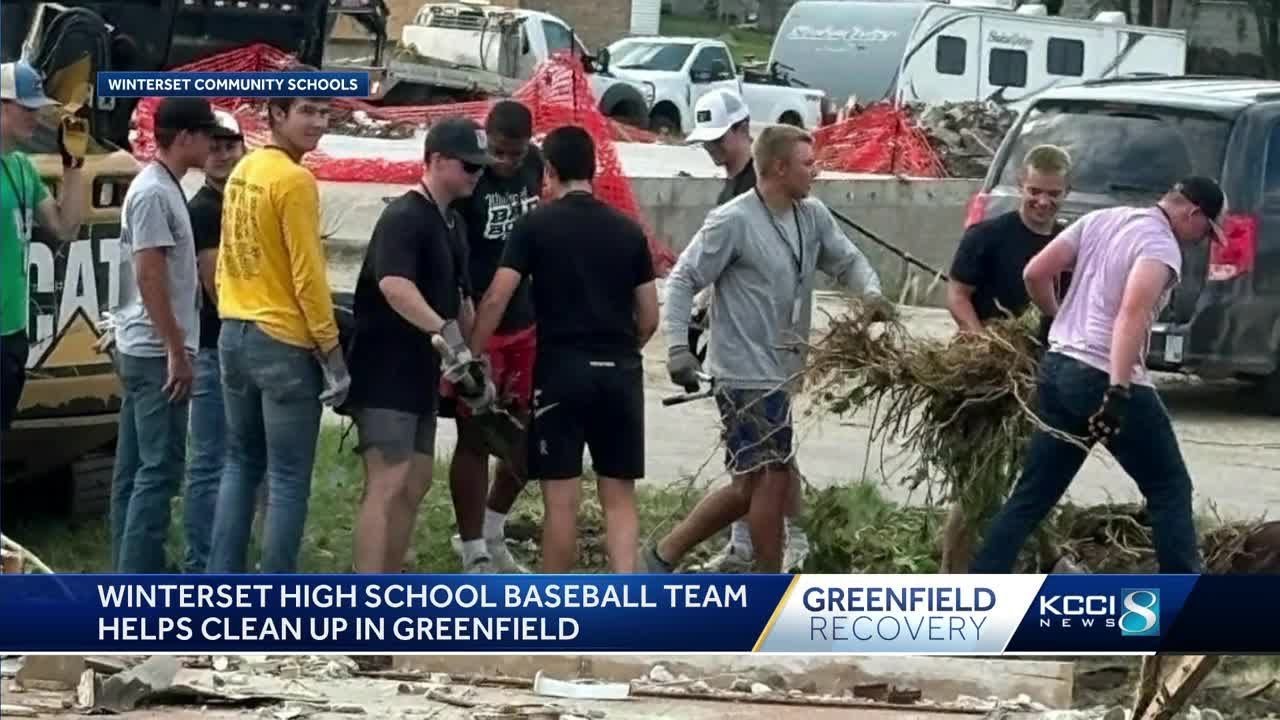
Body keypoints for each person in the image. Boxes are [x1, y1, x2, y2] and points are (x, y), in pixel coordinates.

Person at [645, 124, 886, 574]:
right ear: (779, 168)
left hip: (782, 370)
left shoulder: (810, 216)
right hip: (741, 372)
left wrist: (871, 296)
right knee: (768, 479)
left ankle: (665, 558)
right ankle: (760, 582)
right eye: (808, 164)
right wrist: (678, 347)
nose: (816, 172)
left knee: (753, 484)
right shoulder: (733, 221)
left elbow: (847, 260)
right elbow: (683, 279)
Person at [969, 177, 1224, 575]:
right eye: (1205, 230)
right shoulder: (1160, 246)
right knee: (1169, 489)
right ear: (1193, 212)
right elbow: (1132, 314)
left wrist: (1059, 316)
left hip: (1058, 369)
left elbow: (1035, 272)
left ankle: (978, 594)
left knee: (1031, 497)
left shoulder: (1102, 219)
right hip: (1105, 376)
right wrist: (1119, 391)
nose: (1202, 239)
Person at [470, 125, 659, 573]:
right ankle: (626, 607)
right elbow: (649, 315)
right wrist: (620, 349)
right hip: (620, 373)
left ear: (549, 171)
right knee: (619, 497)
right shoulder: (628, 230)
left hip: (561, 371)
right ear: (593, 169)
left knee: (562, 500)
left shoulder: (534, 226)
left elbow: (498, 296)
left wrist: (474, 353)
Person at [207, 91, 348, 574]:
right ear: (277, 114)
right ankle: (273, 604)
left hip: (235, 331)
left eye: (325, 112)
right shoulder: (294, 180)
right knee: (288, 478)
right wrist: (332, 352)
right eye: (307, 111)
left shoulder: (243, 172)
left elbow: (228, 257)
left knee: (240, 463)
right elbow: (308, 277)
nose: (319, 122)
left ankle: (218, 590)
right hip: (283, 341)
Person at [345, 117, 488, 574]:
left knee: (417, 479)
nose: (476, 175)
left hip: (422, 376)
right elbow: (394, 284)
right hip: (385, 370)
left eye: (480, 167)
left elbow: (462, 298)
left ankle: (389, 584)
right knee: (386, 481)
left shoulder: (453, 224)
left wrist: (473, 360)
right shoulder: (404, 216)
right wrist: (445, 334)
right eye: (468, 166)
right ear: (437, 160)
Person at [682, 88, 811, 574]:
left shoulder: (755, 193)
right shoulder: (731, 191)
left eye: (720, 139)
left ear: (743, 132)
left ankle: (779, 544)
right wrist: (698, 315)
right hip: (743, 343)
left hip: (766, 347)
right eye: (707, 142)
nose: (714, 149)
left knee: (766, 458)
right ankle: (751, 543)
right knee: (762, 453)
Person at [940, 143, 1070, 573]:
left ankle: (1046, 560)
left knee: (1034, 475)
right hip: (987, 376)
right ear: (1020, 184)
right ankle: (951, 580)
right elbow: (957, 295)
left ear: (1066, 192)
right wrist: (984, 344)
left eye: (1053, 193)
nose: (1043, 201)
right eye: (1035, 190)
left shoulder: (1070, 244)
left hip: (1041, 374)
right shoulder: (989, 236)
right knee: (978, 480)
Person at [110, 97, 215, 573]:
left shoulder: (164, 187)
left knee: (134, 469)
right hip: (156, 353)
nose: (214, 144)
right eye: (207, 134)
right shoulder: (154, 192)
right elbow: (150, 274)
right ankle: (139, 583)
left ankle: (128, 571)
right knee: (159, 470)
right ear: (185, 137)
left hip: (145, 346)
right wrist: (176, 350)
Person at [443, 101, 543, 574]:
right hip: (480, 321)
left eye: (515, 155)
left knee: (524, 433)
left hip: (525, 319)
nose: (506, 163)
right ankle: (471, 549)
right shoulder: (471, 179)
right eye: (499, 152)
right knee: (475, 436)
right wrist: (468, 339)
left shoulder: (537, 166)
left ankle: (494, 527)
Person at [1, 60, 85, 431]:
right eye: (27, 108)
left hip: (12, 334)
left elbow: (65, 226)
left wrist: (74, 165)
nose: (36, 118)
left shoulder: (20, 167)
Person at [183, 110, 245, 574]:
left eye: (231, 145)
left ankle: (226, 561)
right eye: (215, 145)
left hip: (237, 344)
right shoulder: (204, 207)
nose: (223, 153)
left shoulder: (242, 200)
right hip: (212, 345)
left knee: (237, 459)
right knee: (209, 461)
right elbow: (215, 286)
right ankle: (201, 564)